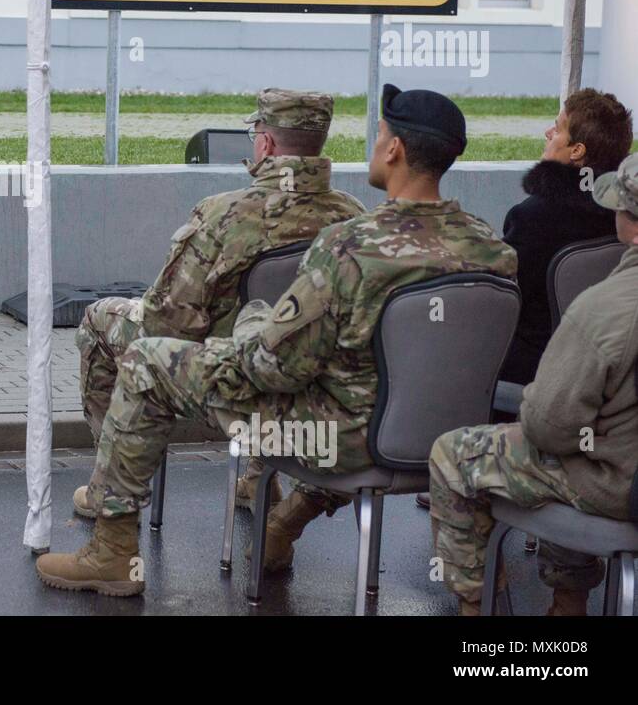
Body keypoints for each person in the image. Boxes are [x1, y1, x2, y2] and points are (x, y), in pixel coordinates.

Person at [35, 85, 517, 596]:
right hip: (444, 445)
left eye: (380, 137)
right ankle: (284, 518)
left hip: (337, 444)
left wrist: (250, 326)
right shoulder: (492, 249)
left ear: (394, 150)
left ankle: (112, 550)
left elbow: (273, 367)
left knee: (147, 361)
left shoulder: (349, 246)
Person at [73, 89, 364, 518]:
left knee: (98, 320)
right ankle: (257, 480)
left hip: (230, 381)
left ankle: (111, 488)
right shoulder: (353, 218)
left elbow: (167, 322)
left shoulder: (224, 214)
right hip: (313, 386)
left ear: (264, 143)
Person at [430, 152, 638, 616]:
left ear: (629, 222)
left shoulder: (604, 308)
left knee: (454, 455)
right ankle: (566, 603)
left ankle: (480, 607)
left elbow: (549, 427)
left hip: (619, 486)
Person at [500, 89, 632, 385]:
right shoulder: (625, 219)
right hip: (615, 372)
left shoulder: (531, 218)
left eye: (557, 128)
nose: (548, 132)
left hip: (538, 371)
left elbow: (507, 304)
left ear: (577, 151)